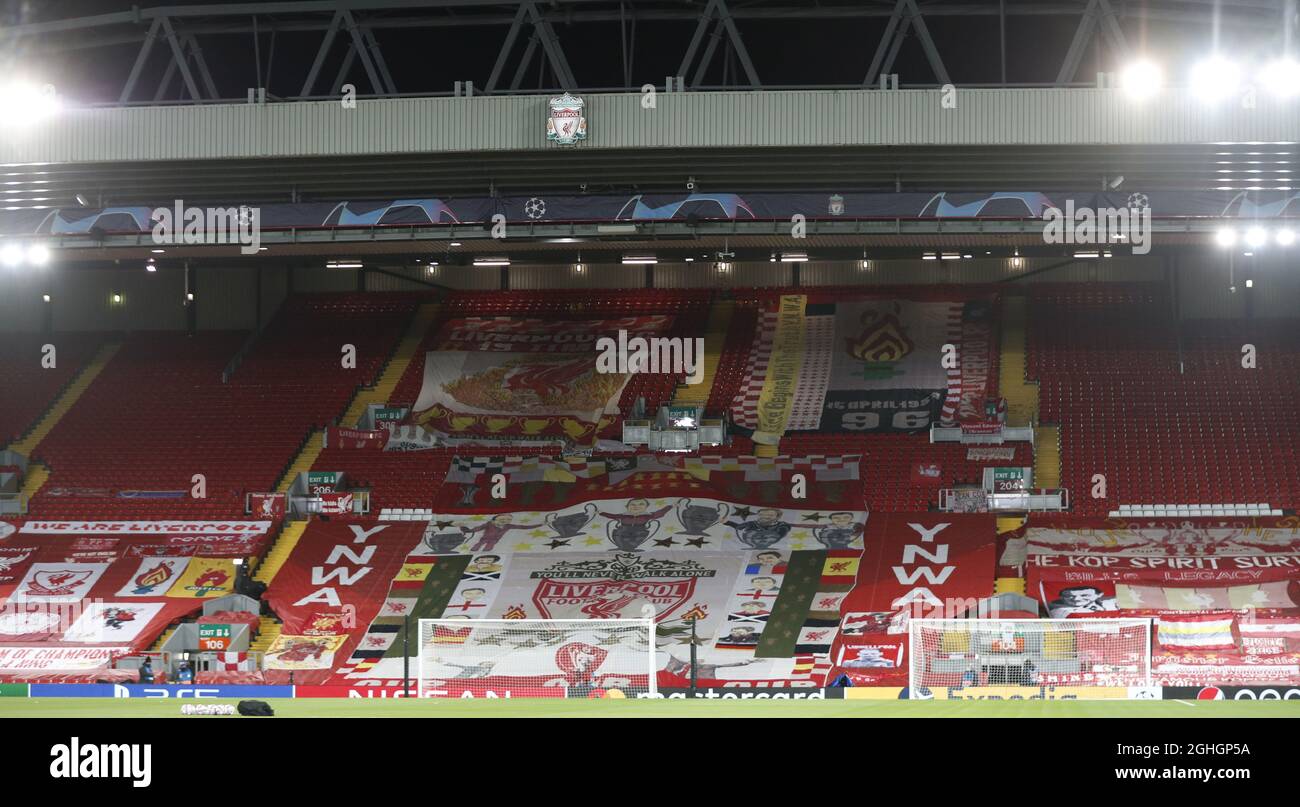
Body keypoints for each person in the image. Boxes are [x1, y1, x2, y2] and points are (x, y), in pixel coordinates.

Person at [1047, 585, 1118, 618]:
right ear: (1061, 597)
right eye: (1069, 596)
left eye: (1085, 595)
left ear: (1099, 595)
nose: (1076, 599)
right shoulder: (1059, 611)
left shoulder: (1112, 602)